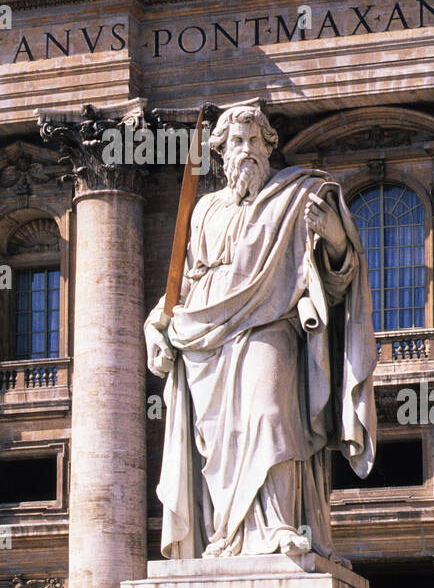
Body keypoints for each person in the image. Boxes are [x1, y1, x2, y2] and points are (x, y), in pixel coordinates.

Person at [145, 103, 377, 560]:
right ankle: (229, 535)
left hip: (271, 324)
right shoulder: (205, 210)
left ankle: (275, 527)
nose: (246, 149)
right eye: (236, 141)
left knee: (269, 414)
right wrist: (158, 323)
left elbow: (337, 279)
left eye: (254, 140)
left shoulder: (298, 196)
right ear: (221, 153)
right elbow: (187, 280)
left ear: (269, 146)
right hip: (206, 339)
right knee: (221, 442)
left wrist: (332, 235)